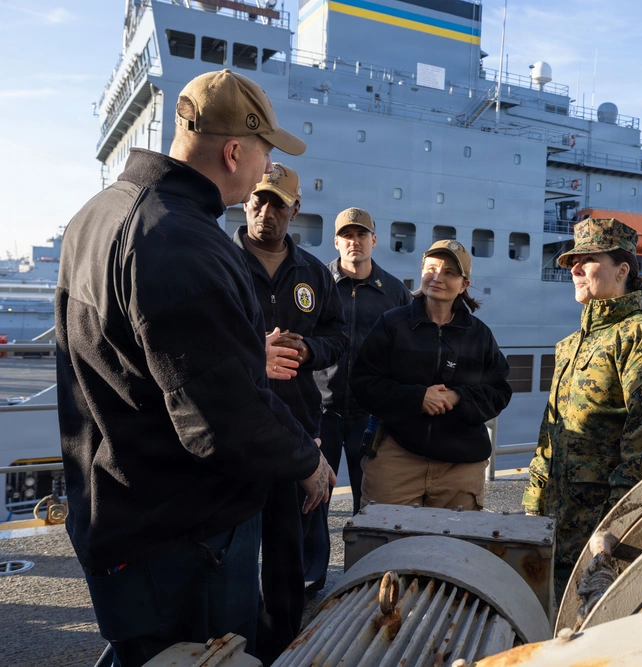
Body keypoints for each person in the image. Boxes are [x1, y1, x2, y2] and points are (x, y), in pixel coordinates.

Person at [55, 69, 336, 667]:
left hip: (118, 508)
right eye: (265, 154)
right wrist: (307, 459)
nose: (266, 169)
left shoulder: (99, 213)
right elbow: (221, 419)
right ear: (235, 151)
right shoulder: (182, 239)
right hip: (183, 536)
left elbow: (137, 359)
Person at [521, 218, 642, 599]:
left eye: (588, 259)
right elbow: (549, 436)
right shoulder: (570, 345)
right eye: (572, 262)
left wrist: (618, 527)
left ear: (622, 270)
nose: (575, 269)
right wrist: (533, 506)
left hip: (603, 537)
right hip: (555, 530)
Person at [233, 163, 348, 664]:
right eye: (259, 200)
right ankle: (229, 640)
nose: (266, 211)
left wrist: (309, 353)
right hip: (233, 430)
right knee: (231, 549)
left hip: (295, 430)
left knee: (286, 553)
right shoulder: (222, 261)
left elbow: (339, 336)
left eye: (278, 203)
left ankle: (280, 649)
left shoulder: (315, 274)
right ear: (245, 203)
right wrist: (250, 352)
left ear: (295, 211)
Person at [350, 240, 511, 510]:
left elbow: (499, 390)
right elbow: (363, 383)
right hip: (397, 458)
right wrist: (417, 397)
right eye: (431, 269)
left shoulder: (479, 335)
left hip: (459, 465)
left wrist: (459, 396)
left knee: (455, 550)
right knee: (388, 548)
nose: (437, 277)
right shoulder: (392, 324)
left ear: (464, 285)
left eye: (449, 272)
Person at [309, 207, 409, 591]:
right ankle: (312, 576)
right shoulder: (317, 282)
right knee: (314, 497)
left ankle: (367, 576)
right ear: (336, 242)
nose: (354, 241)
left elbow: (404, 350)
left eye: (361, 234)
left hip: (370, 415)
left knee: (371, 502)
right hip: (322, 411)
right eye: (347, 235)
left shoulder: (395, 292)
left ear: (373, 241)